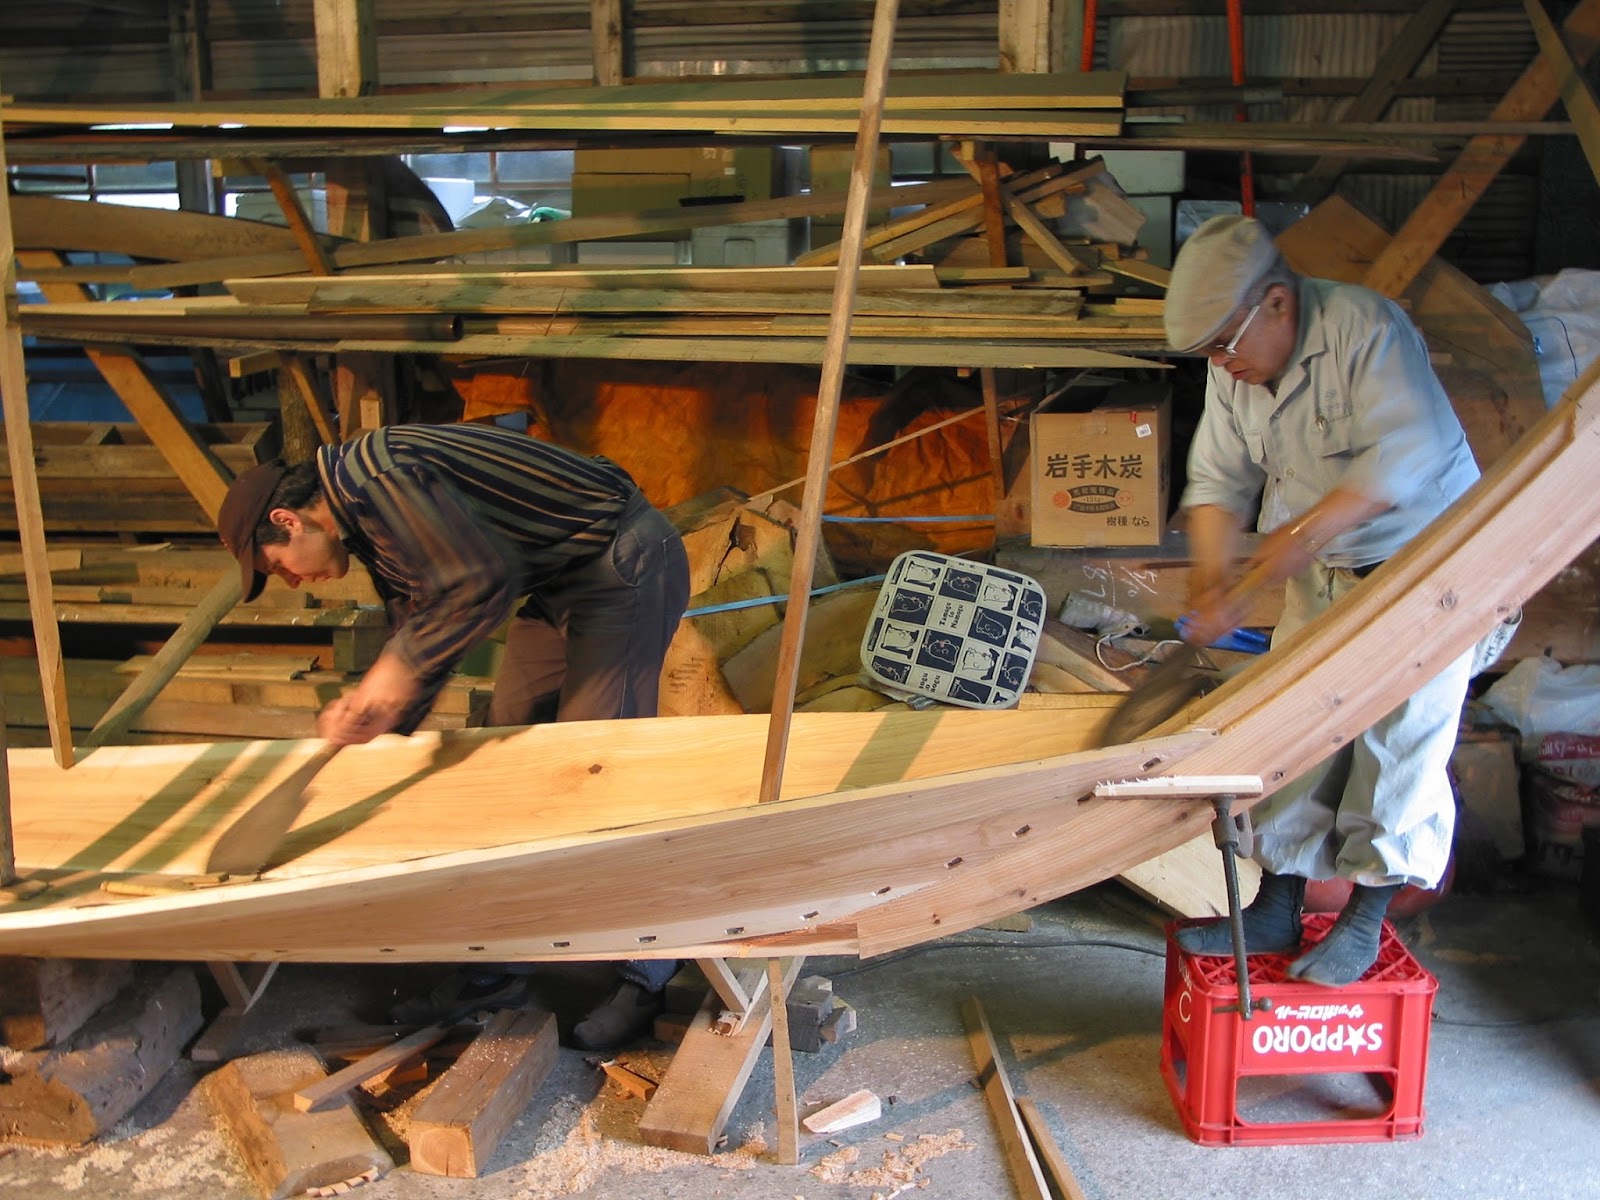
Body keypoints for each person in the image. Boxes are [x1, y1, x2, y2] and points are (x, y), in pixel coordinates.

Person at [217, 421, 691, 1047]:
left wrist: (400, 667)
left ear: (288, 521)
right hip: (555, 582)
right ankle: (496, 967)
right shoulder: (365, 523)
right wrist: (381, 711)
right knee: (504, 762)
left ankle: (648, 971)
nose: (293, 581)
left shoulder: (380, 477)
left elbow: (478, 582)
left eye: (278, 567)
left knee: (598, 773)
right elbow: (419, 614)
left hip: (619, 556)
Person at [1165, 214, 1481, 986]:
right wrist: (1212, 583)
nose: (1220, 363)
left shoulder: (1365, 330)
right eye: (1209, 352)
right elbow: (1217, 479)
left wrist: (1301, 535)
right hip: (1328, 566)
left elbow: (1405, 451)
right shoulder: (1234, 363)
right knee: (1302, 729)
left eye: (1224, 343)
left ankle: (1365, 919)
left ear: (1276, 302)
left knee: (1398, 744)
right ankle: (1277, 903)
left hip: (1430, 567)